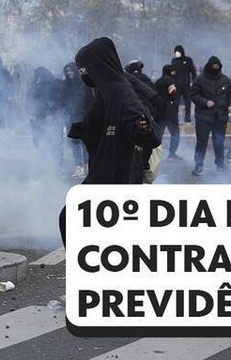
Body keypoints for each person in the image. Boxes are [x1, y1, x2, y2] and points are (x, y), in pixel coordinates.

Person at [61, 37, 160, 244]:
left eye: (85, 67)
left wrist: (142, 129)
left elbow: (148, 135)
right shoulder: (105, 90)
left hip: (116, 175)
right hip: (105, 171)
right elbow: (102, 124)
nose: (82, 73)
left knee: (70, 217)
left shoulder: (120, 91)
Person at [190, 56, 231, 176]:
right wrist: (205, 102)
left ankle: (220, 164)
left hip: (220, 117)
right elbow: (193, 95)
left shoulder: (225, 80)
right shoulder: (199, 79)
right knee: (201, 142)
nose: (215, 69)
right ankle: (198, 165)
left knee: (219, 142)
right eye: (213, 67)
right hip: (203, 117)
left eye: (217, 67)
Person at [152, 64, 182, 161]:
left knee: (158, 134)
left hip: (159, 111)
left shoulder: (157, 82)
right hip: (170, 112)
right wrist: (175, 103)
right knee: (175, 133)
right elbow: (172, 92)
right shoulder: (170, 81)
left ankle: (155, 154)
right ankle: (172, 154)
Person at [170, 45, 197, 123]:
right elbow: (172, 72)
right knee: (176, 103)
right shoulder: (174, 61)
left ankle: (187, 118)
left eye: (178, 52)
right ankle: (175, 118)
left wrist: (194, 82)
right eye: (175, 52)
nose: (176, 53)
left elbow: (193, 72)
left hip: (186, 85)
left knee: (187, 102)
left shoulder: (188, 60)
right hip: (177, 85)